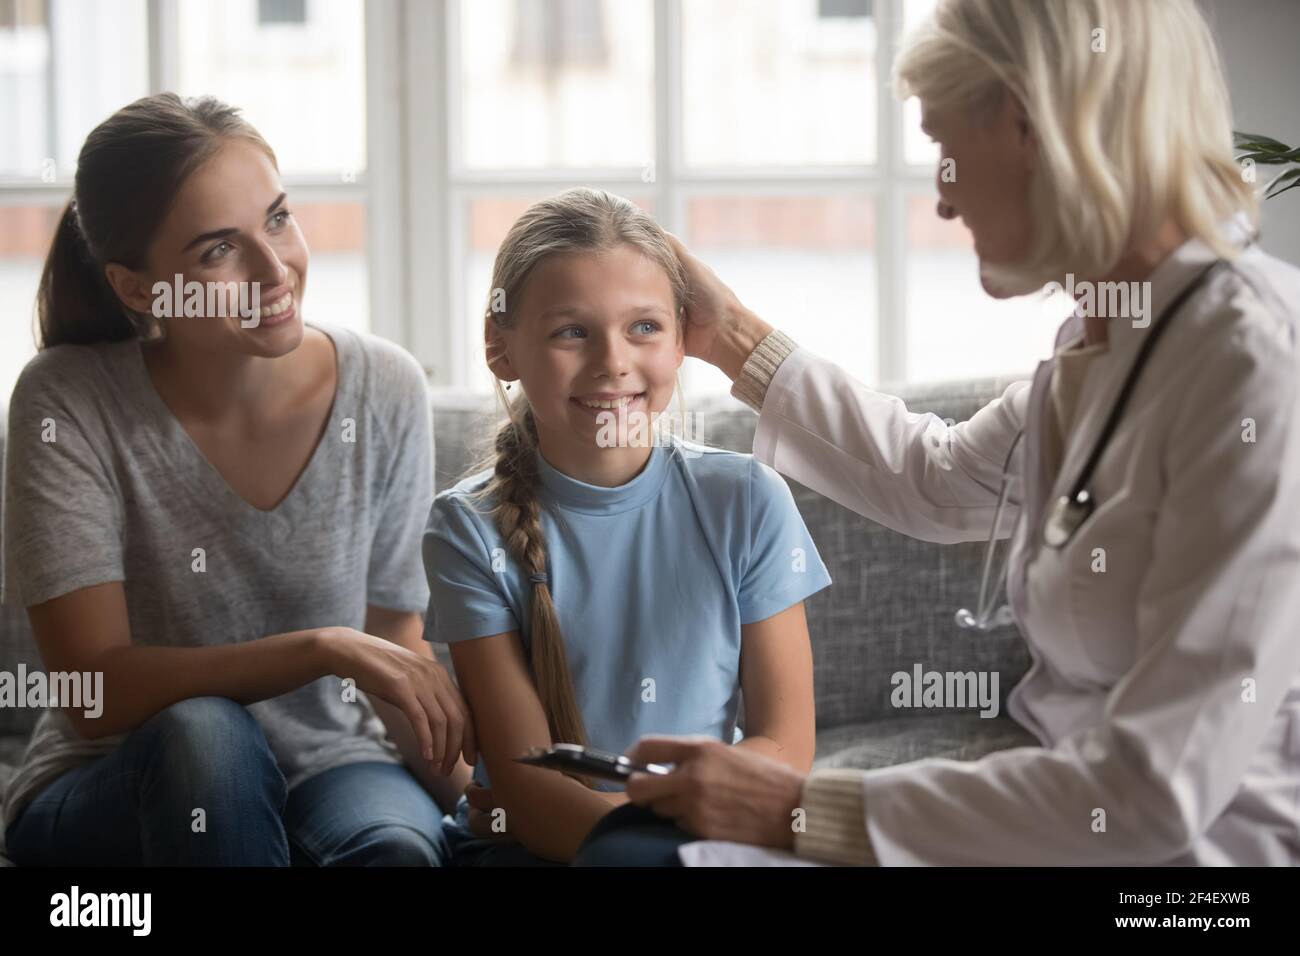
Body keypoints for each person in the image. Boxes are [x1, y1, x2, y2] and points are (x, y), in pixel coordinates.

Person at [587, 0, 1300, 866]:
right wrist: (728, 331)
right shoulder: (1104, 342)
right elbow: (937, 479)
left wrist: (804, 811)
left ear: (1037, 126)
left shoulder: (1251, 364)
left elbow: (1153, 794)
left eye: (946, 146)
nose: (942, 196)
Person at [2, 93, 473, 866]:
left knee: (399, 851)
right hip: (115, 778)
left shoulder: (384, 386)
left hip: (329, 762)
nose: (273, 268)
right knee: (209, 734)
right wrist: (322, 647)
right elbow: (95, 692)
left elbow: (394, 643)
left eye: (278, 219)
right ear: (134, 286)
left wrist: (490, 806)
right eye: (219, 249)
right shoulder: (69, 399)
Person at [421, 188, 831, 865]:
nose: (613, 361)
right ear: (502, 350)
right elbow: (532, 796)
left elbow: (784, 751)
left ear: (679, 342)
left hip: (701, 845)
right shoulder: (468, 530)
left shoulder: (750, 500)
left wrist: (665, 839)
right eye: (571, 331)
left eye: (643, 327)